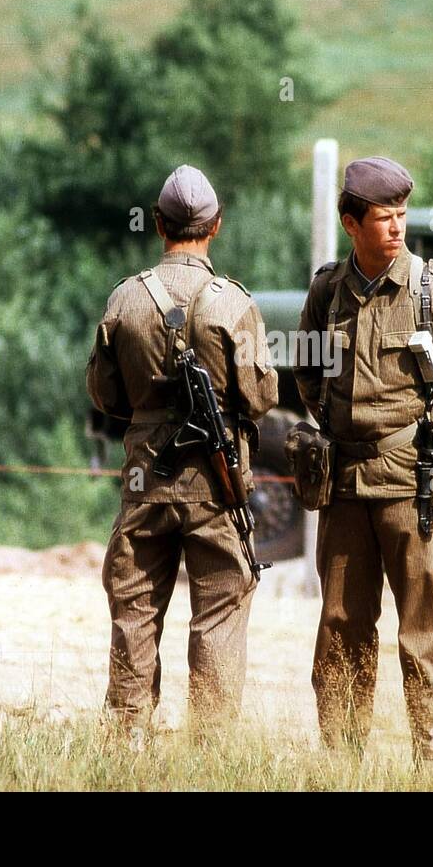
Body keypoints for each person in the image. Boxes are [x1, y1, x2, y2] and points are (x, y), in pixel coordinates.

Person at [294, 155, 433, 768]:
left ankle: (431, 764)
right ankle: (342, 761)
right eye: (384, 218)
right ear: (351, 223)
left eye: (402, 215)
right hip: (346, 489)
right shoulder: (326, 292)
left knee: (422, 632)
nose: (397, 228)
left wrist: (421, 430)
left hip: (411, 489)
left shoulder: (431, 293)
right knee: (343, 626)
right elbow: (306, 373)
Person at [86, 165, 278, 737]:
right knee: (219, 612)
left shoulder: (126, 298)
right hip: (216, 486)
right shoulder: (233, 304)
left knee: (135, 609)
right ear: (215, 226)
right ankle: (211, 751)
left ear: (158, 223)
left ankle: (125, 737)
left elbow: (103, 393)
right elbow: (262, 395)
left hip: (145, 479)